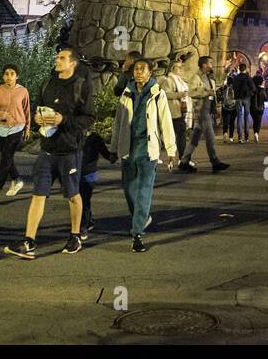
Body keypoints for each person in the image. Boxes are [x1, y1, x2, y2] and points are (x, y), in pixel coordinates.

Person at [5, 48, 94, 258]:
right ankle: (29, 241)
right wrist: (36, 120)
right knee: (38, 194)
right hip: (47, 149)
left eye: (62, 58)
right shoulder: (47, 83)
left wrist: (63, 120)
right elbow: (37, 107)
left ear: (72, 63)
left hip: (70, 150)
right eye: (57, 57)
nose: (58, 61)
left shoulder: (82, 86)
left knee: (73, 195)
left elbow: (89, 118)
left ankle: (75, 236)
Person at [110, 58, 178, 252]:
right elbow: (118, 122)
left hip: (148, 148)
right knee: (129, 189)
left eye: (142, 69)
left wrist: (171, 150)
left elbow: (166, 122)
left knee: (144, 190)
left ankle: (137, 233)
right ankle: (141, 218)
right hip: (128, 148)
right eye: (136, 69)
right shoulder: (126, 93)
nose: (138, 72)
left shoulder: (158, 94)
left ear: (150, 73)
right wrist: (114, 148)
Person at [176, 55, 230, 173]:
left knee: (194, 139)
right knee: (210, 137)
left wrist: (225, 71)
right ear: (204, 65)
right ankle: (214, 161)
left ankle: (184, 161)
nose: (212, 65)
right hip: (201, 111)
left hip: (207, 110)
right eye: (210, 63)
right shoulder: (196, 77)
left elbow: (217, 86)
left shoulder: (207, 77)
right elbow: (191, 92)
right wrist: (206, 92)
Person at [0, 64, 30, 203]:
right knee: (7, 158)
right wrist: (2, 114)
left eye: (12, 74)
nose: (9, 76)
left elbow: (27, 110)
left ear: (17, 76)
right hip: (1, 128)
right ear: (2, 76)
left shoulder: (23, 91)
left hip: (18, 127)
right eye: (6, 73)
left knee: (5, 158)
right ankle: (17, 180)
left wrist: (27, 128)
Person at [79, 127, 118, 235]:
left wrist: (114, 155)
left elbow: (105, 153)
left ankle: (83, 226)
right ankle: (88, 220)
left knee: (84, 200)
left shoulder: (95, 138)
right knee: (79, 200)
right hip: (75, 174)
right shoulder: (72, 136)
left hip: (89, 174)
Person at [163, 58, 191, 155]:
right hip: (174, 112)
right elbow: (165, 94)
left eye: (181, 67)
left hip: (180, 110)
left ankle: (182, 157)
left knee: (179, 134)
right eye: (178, 67)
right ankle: (182, 158)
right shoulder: (169, 80)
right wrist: (179, 94)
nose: (180, 69)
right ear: (172, 68)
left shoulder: (179, 79)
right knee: (180, 134)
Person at [227, 62, 254, 143]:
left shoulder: (235, 78)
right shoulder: (248, 78)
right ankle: (247, 137)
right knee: (246, 117)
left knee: (239, 117)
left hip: (238, 99)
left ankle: (240, 138)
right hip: (246, 99)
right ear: (245, 69)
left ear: (239, 69)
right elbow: (253, 88)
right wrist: (249, 94)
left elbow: (233, 88)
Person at [250, 74, 266, 142]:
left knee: (254, 121)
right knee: (258, 121)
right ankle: (256, 133)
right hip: (261, 107)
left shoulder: (252, 90)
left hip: (252, 107)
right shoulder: (262, 89)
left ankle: (255, 132)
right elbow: (266, 98)